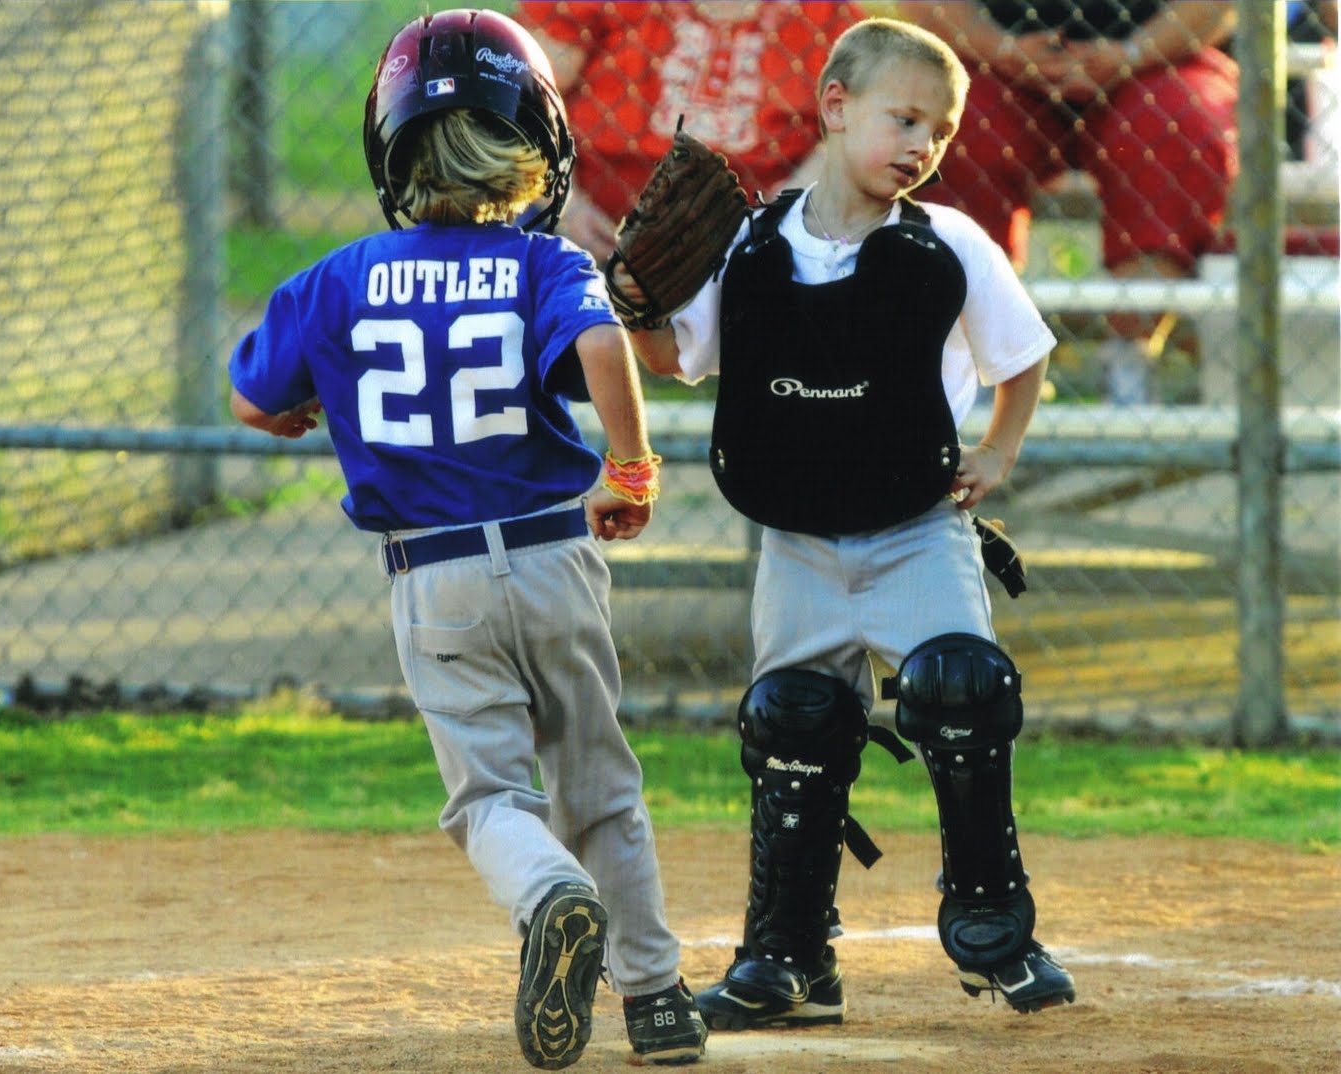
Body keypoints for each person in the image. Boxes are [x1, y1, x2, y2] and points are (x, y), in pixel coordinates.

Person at [227, 10, 706, 1069]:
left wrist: (294, 408)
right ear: (535, 140)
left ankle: (548, 896)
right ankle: (659, 1000)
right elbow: (597, 340)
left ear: (387, 146)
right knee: (599, 782)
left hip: (435, 580)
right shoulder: (542, 265)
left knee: (492, 794)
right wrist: (628, 467)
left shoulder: (335, 280)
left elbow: (253, 396)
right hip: (552, 555)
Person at [616, 17, 1077, 1031]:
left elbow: (1024, 351)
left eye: (940, 132)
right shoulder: (749, 248)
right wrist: (643, 306)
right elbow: (670, 363)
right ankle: (787, 955)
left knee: (961, 688)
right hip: (798, 542)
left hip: (916, 528)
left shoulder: (943, 245)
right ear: (834, 107)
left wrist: (996, 450)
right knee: (791, 720)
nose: (923, 144)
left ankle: (992, 919)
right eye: (903, 118)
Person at [895, 1, 1239, 405]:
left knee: (1173, 126)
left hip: (1159, 58)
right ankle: (977, 365)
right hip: (996, 62)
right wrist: (1001, 49)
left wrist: (1133, 53)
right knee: (952, 128)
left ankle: (1131, 359)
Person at [514, 1, 865, 265]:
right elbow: (517, 100)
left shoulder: (826, 17)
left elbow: (856, 129)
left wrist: (788, 209)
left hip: (758, 237)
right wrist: (565, 204)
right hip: (589, 226)